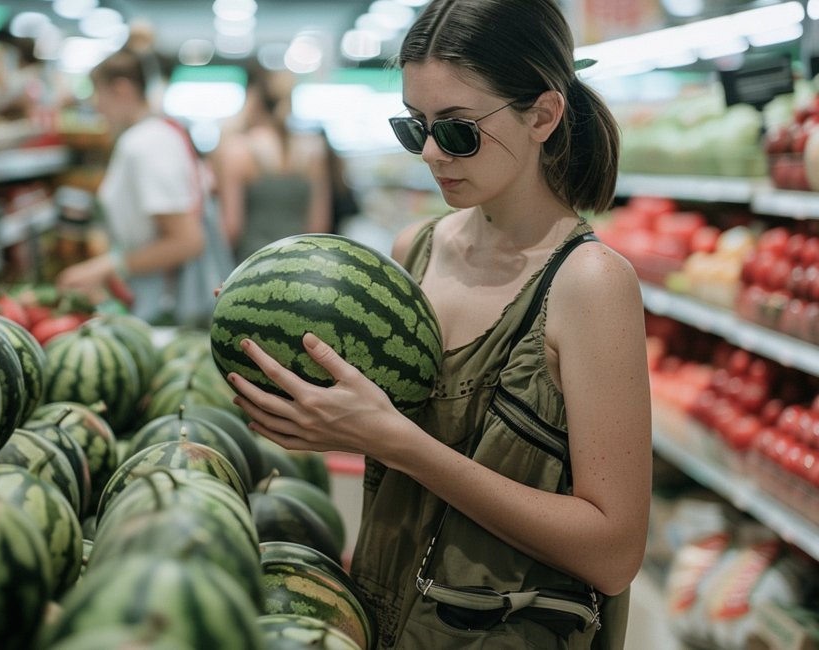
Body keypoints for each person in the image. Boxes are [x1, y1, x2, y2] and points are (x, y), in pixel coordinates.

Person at [224, 1, 652, 649]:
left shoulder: (589, 282)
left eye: (456, 130)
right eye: (413, 126)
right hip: (387, 618)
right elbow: (381, 430)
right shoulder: (412, 250)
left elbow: (613, 553)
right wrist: (308, 401)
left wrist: (398, 443)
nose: (429, 153)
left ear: (542, 115)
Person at [56, 40, 211, 326]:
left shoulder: (143, 144)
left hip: (162, 308)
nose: (96, 107)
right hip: (156, 301)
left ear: (122, 89)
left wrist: (106, 266)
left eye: (97, 94)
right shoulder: (161, 133)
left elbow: (187, 240)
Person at [213, 66, 332, 263]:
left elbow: (231, 227)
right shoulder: (312, 151)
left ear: (253, 100)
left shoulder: (236, 150)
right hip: (301, 265)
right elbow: (319, 225)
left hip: (252, 266)